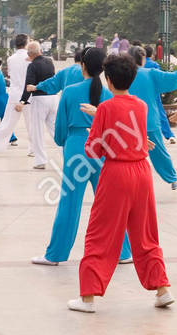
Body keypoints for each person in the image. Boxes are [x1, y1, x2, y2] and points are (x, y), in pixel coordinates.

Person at [67, 53, 173, 313]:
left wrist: (98, 119)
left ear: (109, 81)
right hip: (142, 173)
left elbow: (93, 149)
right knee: (146, 234)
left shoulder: (105, 108)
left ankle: (88, 297)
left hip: (116, 174)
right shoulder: (140, 105)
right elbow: (134, 133)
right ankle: (162, 289)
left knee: (99, 234)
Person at [33, 48, 129, 266]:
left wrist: (65, 142)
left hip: (77, 148)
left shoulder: (70, 91)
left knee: (69, 204)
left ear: (82, 66)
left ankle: (55, 255)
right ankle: (123, 252)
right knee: (109, 204)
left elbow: (59, 133)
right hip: (103, 149)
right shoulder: (108, 93)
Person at [126, 46, 177, 188]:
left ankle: (128, 180)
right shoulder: (151, 74)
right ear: (143, 59)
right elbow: (173, 79)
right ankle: (172, 178)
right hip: (149, 120)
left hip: (127, 122)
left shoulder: (123, 74)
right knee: (159, 152)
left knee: (127, 152)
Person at [15, 41, 57, 170]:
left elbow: (28, 85)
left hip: (40, 99)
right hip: (53, 98)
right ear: (40, 51)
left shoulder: (32, 66)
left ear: (29, 54)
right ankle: (65, 154)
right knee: (54, 129)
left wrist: (22, 101)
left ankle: (40, 161)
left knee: (37, 131)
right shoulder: (49, 61)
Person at [0, 35, 31, 157]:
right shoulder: (30, 58)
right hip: (29, 94)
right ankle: (33, 149)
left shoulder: (11, 59)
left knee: (7, 123)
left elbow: (11, 75)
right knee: (31, 124)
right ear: (26, 43)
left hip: (14, 93)